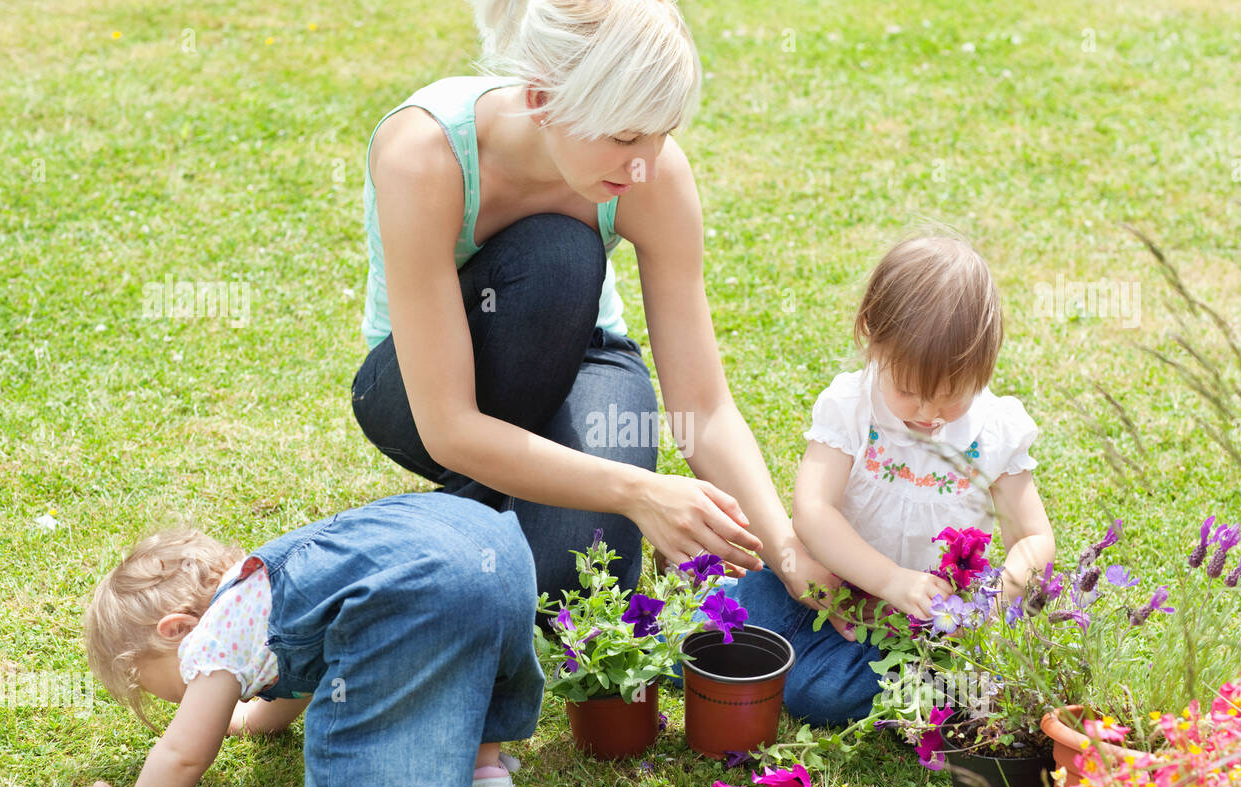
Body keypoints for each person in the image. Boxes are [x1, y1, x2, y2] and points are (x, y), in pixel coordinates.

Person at [349, 0, 837, 614]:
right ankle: (498, 497)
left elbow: (704, 409)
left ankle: (504, 503)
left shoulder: (654, 176)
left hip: (583, 360)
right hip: (419, 397)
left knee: (574, 583)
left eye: (663, 132)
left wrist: (787, 551)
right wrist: (639, 491)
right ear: (540, 99)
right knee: (561, 255)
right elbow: (447, 426)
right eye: (626, 136)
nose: (648, 164)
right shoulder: (423, 153)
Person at [76, 493, 543, 787]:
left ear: (177, 629)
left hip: (427, 588)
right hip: (493, 546)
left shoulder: (212, 635)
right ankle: (483, 768)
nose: (195, 699)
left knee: (365, 761)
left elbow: (182, 754)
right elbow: (299, 677)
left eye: (181, 691)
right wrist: (248, 720)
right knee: (467, 653)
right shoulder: (259, 596)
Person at [710, 234, 1057, 727]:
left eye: (952, 396)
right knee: (721, 623)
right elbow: (813, 510)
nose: (930, 414)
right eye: (910, 391)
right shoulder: (853, 409)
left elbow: (1035, 538)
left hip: (922, 625)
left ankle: (866, 681)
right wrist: (889, 580)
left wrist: (996, 597)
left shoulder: (993, 433)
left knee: (823, 694)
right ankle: (799, 666)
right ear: (873, 340)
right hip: (829, 587)